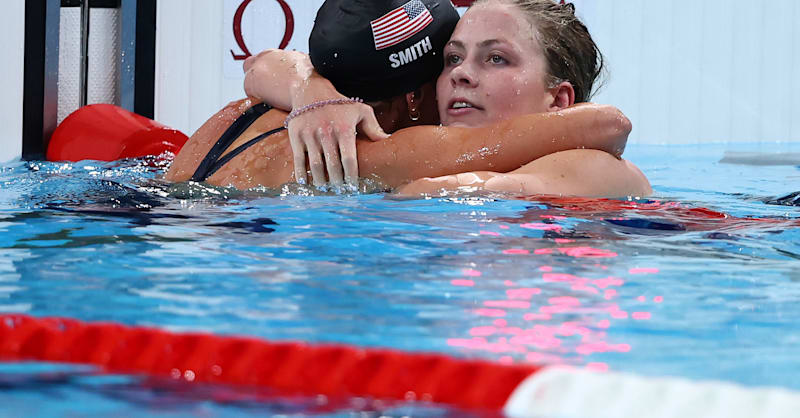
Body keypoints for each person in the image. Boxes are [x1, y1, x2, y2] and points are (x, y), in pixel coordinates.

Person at [166, 0, 645, 197]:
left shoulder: (255, 110)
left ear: (559, 99)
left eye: (495, 59)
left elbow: (265, 65)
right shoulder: (387, 152)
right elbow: (607, 123)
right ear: (415, 96)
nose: (461, 77)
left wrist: (309, 88)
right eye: (451, 60)